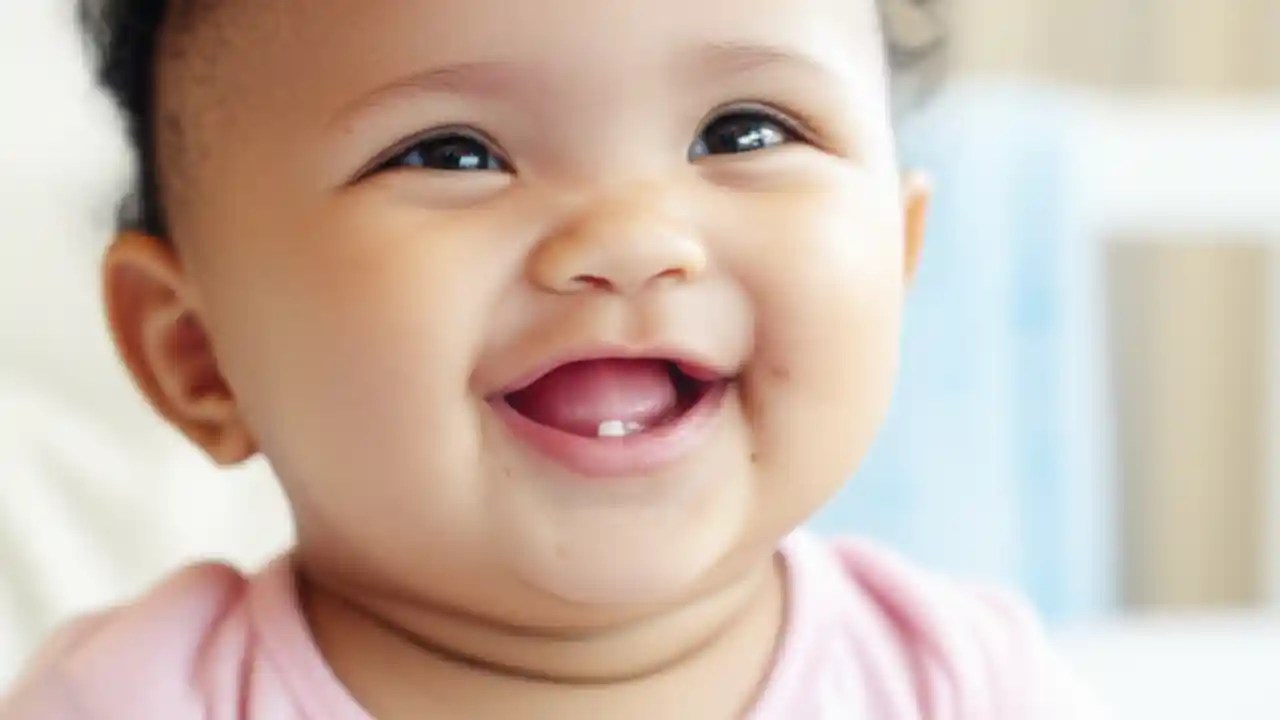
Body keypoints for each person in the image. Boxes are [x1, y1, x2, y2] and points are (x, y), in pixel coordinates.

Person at [2, 0, 1099, 717]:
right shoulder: (137, 702)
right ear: (199, 353)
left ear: (897, 259)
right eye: (451, 153)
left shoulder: (963, 685)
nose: (628, 237)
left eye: (743, 130)